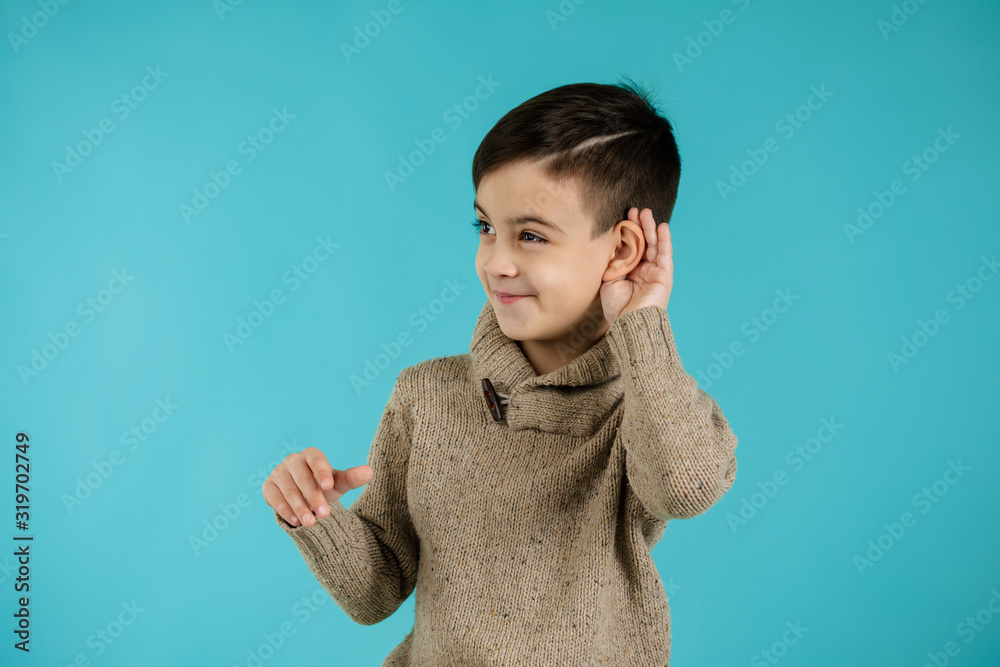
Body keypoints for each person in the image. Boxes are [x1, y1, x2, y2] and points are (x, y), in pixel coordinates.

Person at [263, 77, 739, 666]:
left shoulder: (648, 408)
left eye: (531, 235)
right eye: (485, 227)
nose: (496, 261)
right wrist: (316, 516)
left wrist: (640, 325)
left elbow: (685, 486)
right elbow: (376, 592)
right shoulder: (427, 394)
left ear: (621, 250)